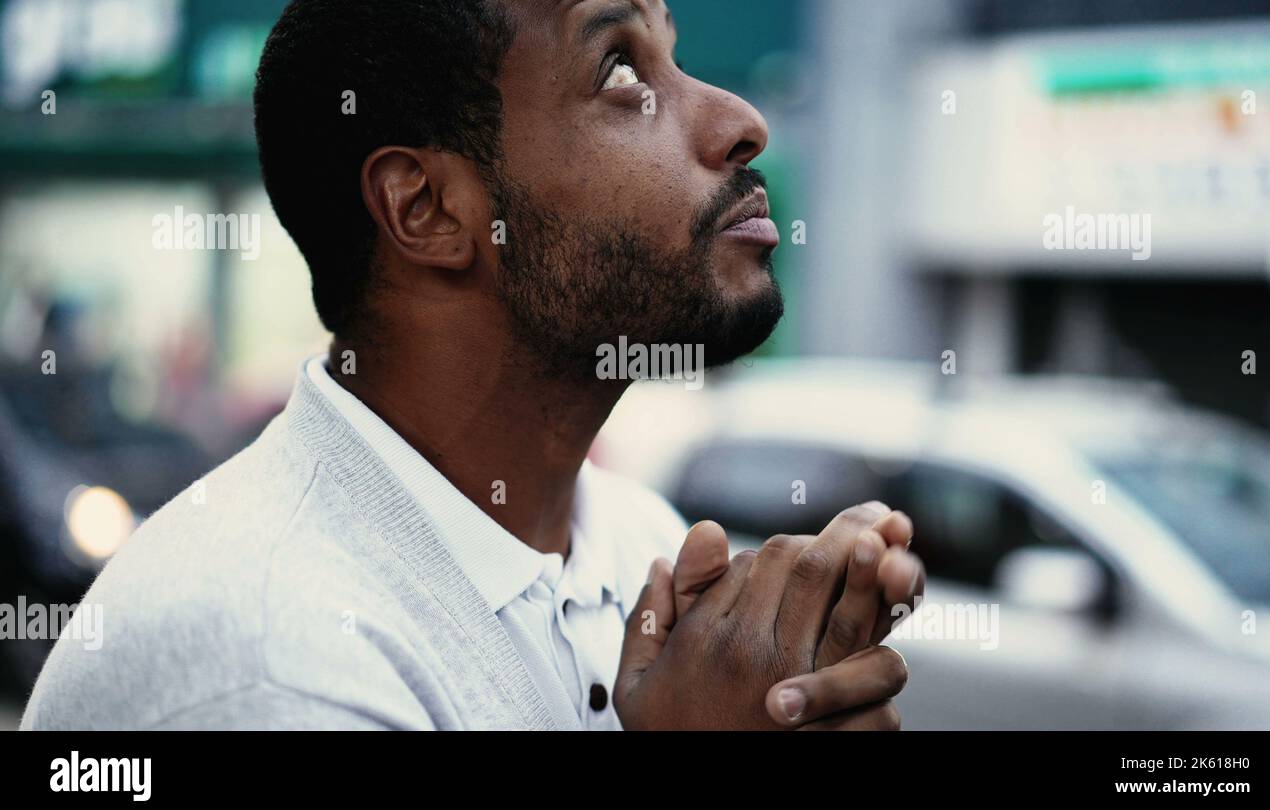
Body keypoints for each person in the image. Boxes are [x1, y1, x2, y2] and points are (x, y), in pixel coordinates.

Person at [21, 0, 924, 730]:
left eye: (675, 56)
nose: (742, 121)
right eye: (622, 70)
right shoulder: (269, 660)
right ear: (428, 209)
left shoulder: (634, 537)